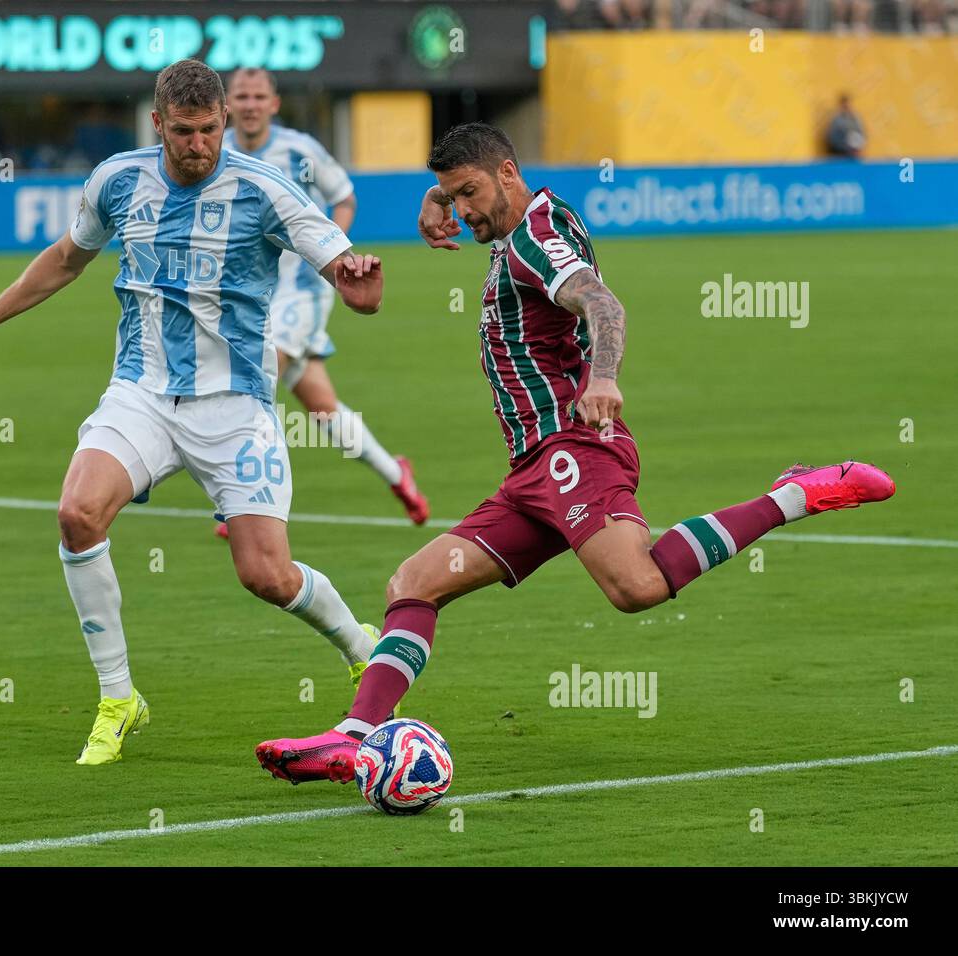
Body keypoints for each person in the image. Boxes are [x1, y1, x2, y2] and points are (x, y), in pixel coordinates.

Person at [254, 123, 895, 784]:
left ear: (507, 173)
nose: (463, 208)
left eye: (468, 192)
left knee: (635, 585)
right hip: (532, 470)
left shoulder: (534, 238)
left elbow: (600, 302)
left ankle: (796, 493)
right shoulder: (523, 217)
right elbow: (484, 192)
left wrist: (605, 378)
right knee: (414, 583)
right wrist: (440, 198)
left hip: (573, 450)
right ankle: (355, 738)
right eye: (454, 195)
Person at [0, 59, 387, 766]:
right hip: (143, 394)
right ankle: (119, 696)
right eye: (185, 132)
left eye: (211, 131)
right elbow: (67, 259)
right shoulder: (118, 179)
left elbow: (348, 276)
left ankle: (358, 647)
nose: (199, 146)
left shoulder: (266, 190)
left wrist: (361, 289)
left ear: (225, 122)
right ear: (157, 124)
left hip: (236, 406)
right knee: (77, 513)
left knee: (267, 576)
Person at [218, 68, 428, 538]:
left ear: (274, 103)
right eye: (241, 97)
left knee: (257, 375)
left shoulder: (300, 150)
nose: (250, 105)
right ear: (228, 105)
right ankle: (398, 475)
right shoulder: (217, 152)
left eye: (258, 96)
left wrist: (333, 250)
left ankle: (246, 499)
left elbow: (344, 196)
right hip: (252, 294)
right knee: (323, 409)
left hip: (305, 288)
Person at [826, 94, 866, 159]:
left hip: (855, 155)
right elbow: (832, 139)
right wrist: (846, 147)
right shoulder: (836, 120)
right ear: (841, 106)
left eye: (848, 104)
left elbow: (862, 134)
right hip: (841, 154)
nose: (846, 106)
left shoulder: (856, 119)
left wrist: (857, 147)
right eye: (844, 105)